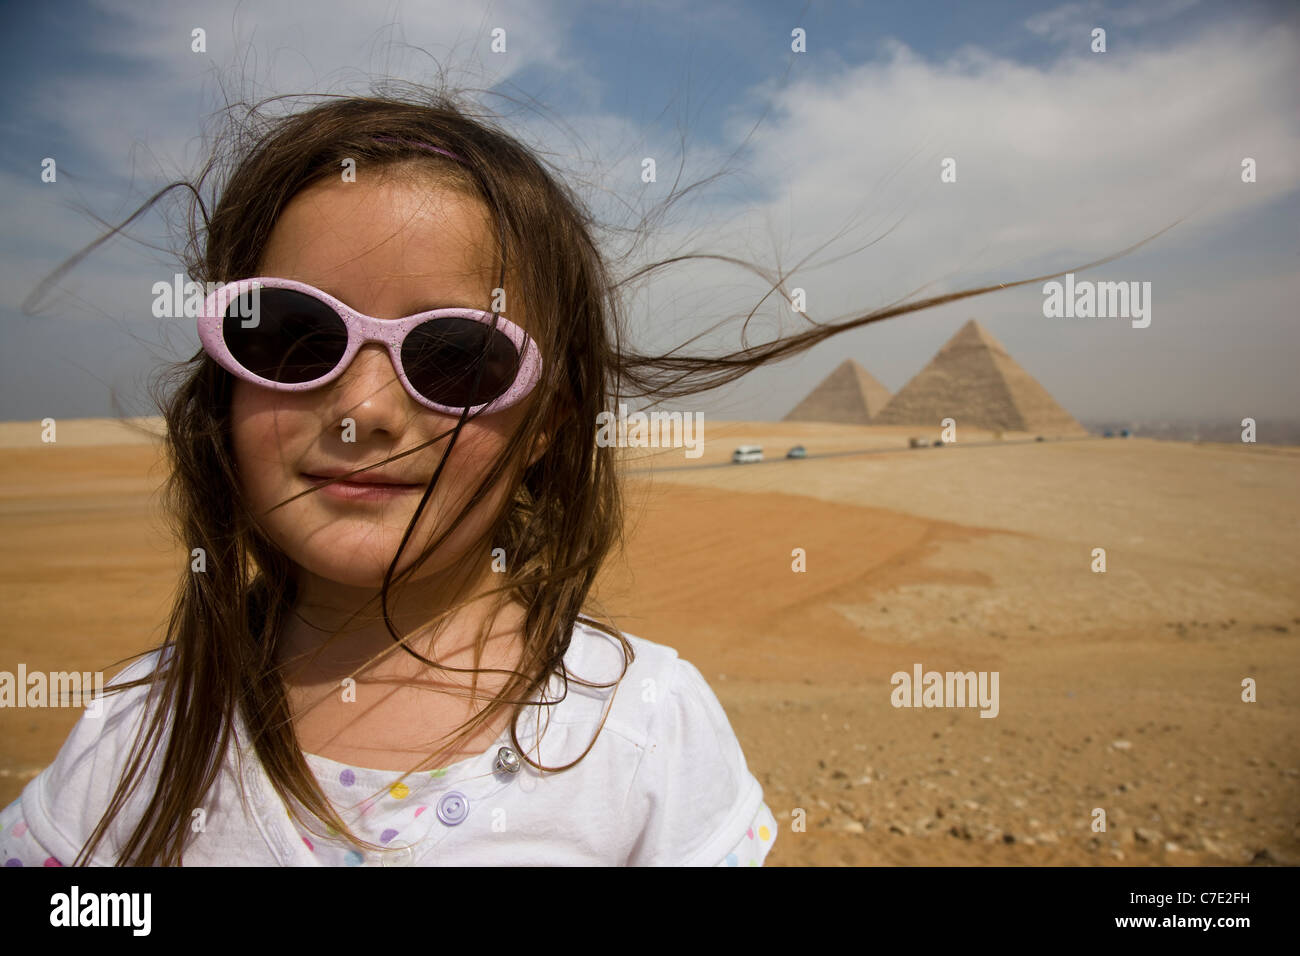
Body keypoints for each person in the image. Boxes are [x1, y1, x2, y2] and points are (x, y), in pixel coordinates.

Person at [0, 87, 1154, 867]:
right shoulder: (132, 735)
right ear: (221, 375)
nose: (359, 408)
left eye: (455, 358)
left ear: (549, 422)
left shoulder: (644, 728)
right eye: (291, 334)